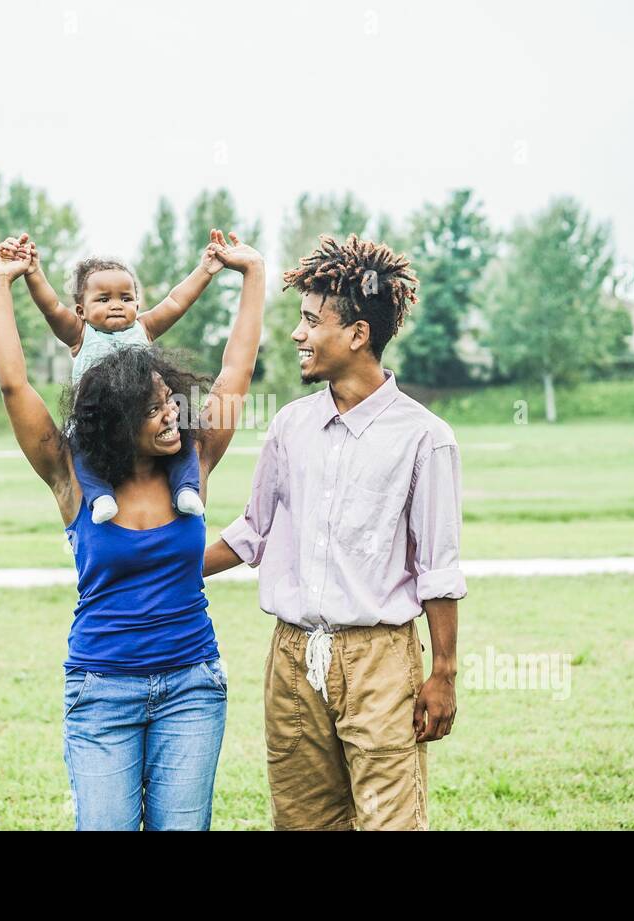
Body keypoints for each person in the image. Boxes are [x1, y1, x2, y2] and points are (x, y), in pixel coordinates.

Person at [0, 230, 264, 830]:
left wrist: (252, 273)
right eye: (153, 409)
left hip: (192, 686)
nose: (171, 415)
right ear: (113, 419)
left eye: (171, 403)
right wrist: (0, 281)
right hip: (100, 691)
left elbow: (236, 369)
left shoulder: (196, 458)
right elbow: (14, 385)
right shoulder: (71, 475)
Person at [203, 234, 465, 831]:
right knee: (302, 823)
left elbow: (439, 569)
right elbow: (253, 533)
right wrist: (157, 565)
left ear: (357, 335)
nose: (297, 334)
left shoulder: (424, 437)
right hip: (292, 660)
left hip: (379, 661)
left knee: (389, 822)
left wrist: (443, 673)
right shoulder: (291, 426)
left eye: (310, 321)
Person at [0, 232, 225, 523]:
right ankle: (101, 497)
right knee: (80, 454)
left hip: (144, 420)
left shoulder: (144, 328)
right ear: (81, 310)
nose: (116, 305)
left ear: (138, 305)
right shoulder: (80, 334)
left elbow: (176, 301)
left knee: (183, 444)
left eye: (125, 298)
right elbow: (51, 307)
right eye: (103, 299)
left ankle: (185, 490)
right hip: (95, 426)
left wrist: (205, 270)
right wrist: (33, 272)